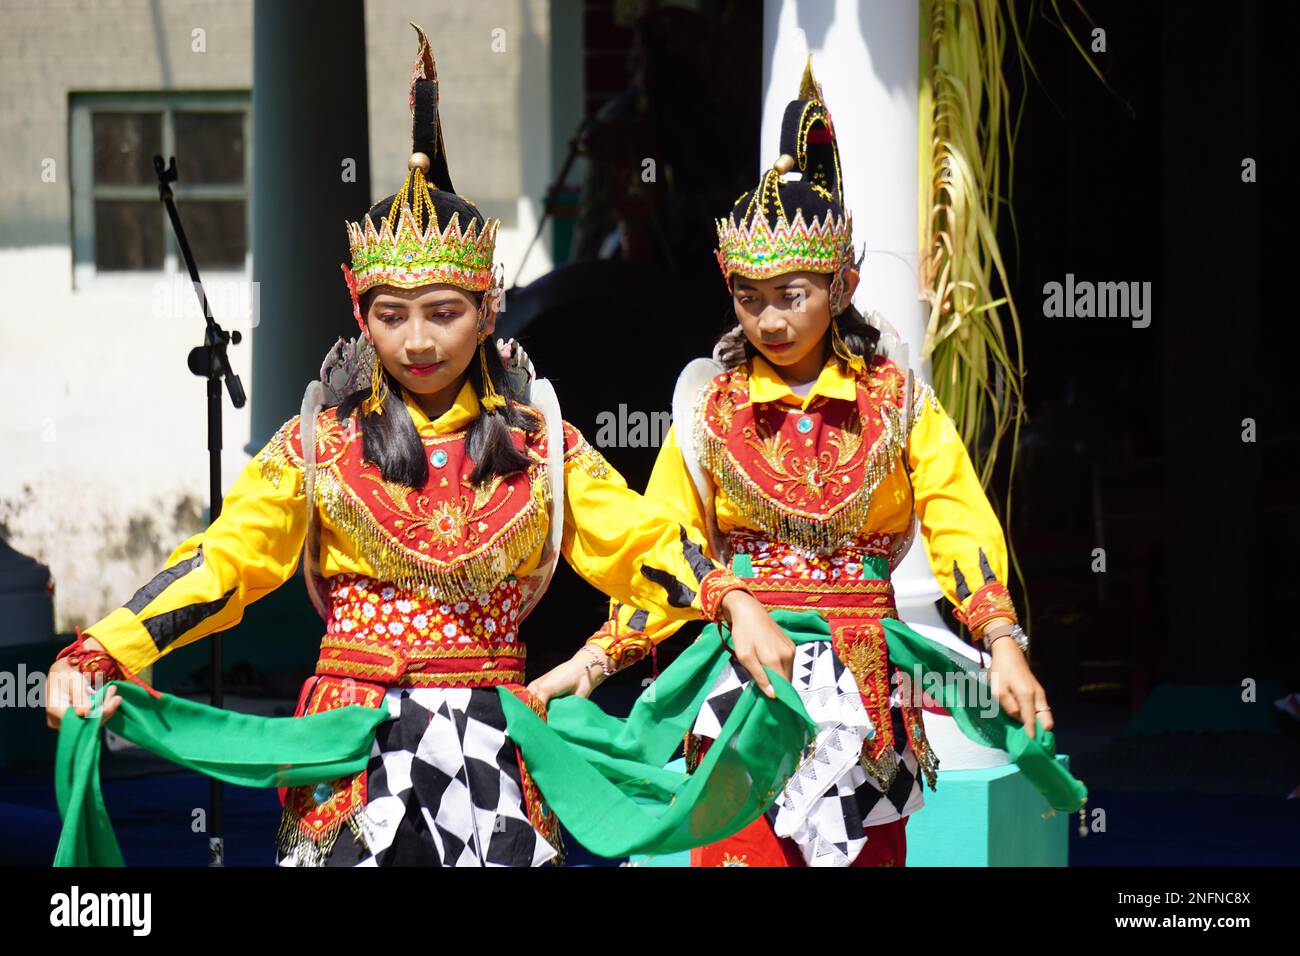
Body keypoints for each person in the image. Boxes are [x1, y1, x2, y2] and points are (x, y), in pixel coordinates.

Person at [43, 24, 795, 868]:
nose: (418, 341)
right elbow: (226, 561)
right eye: (390, 315)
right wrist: (105, 646)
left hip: (496, 751)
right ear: (359, 313)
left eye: (444, 312)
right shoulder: (321, 445)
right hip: (352, 758)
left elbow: (638, 540)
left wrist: (732, 599)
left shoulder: (539, 445)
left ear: (489, 308)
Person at [575, 61, 1054, 867]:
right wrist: (600, 658)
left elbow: (955, 514)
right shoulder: (709, 408)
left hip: (868, 688)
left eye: (792, 294)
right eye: (749, 296)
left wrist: (1001, 642)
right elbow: (666, 542)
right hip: (748, 683)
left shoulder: (898, 401)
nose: (769, 317)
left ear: (842, 284)